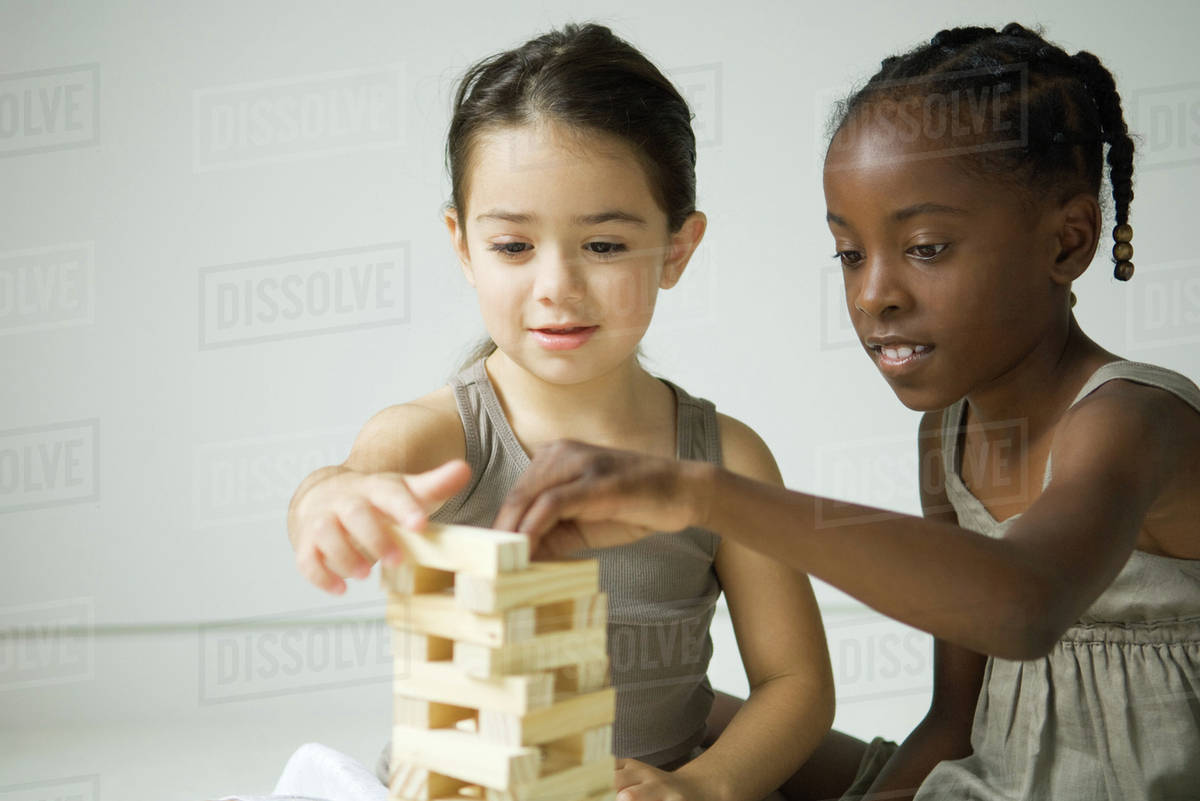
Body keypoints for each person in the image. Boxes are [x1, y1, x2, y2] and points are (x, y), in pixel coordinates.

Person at [493, 23, 1200, 801]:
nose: (873, 295)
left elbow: (1025, 605)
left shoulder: (1135, 419)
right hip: (987, 783)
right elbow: (956, 724)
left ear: (1067, 242)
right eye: (850, 254)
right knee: (689, 725)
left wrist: (701, 493)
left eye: (925, 247)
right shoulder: (949, 436)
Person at [285, 22, 835, 801]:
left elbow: (795, 682)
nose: (557, 287)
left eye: (604, 246)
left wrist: (702, 785)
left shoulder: (725, 459)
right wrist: (330, 500)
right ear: (463, 245)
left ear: (676, 249)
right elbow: (348, 478)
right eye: (514, 247)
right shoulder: (440, 436)